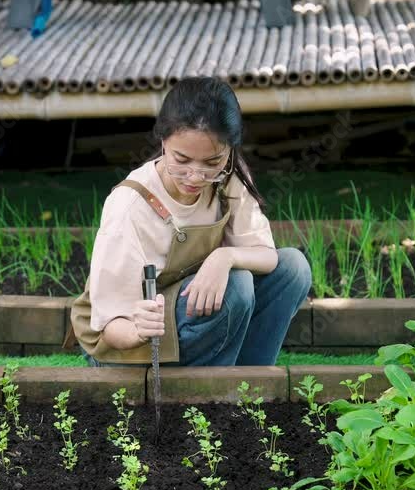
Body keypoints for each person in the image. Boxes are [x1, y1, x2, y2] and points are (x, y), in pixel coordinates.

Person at [69, 77, 312, 367]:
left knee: (292, 268)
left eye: (211, 163)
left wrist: (225, 256)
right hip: (128, 343)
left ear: (230, 150)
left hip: (188, 315)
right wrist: (137, 329)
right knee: (237, 286)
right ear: (163, 141)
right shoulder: (128, 206)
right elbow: (109, 326)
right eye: (182, 160)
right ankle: (211, 396)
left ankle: (252, 384)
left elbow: (267, 256)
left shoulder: (227, 181)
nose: (196, 177)